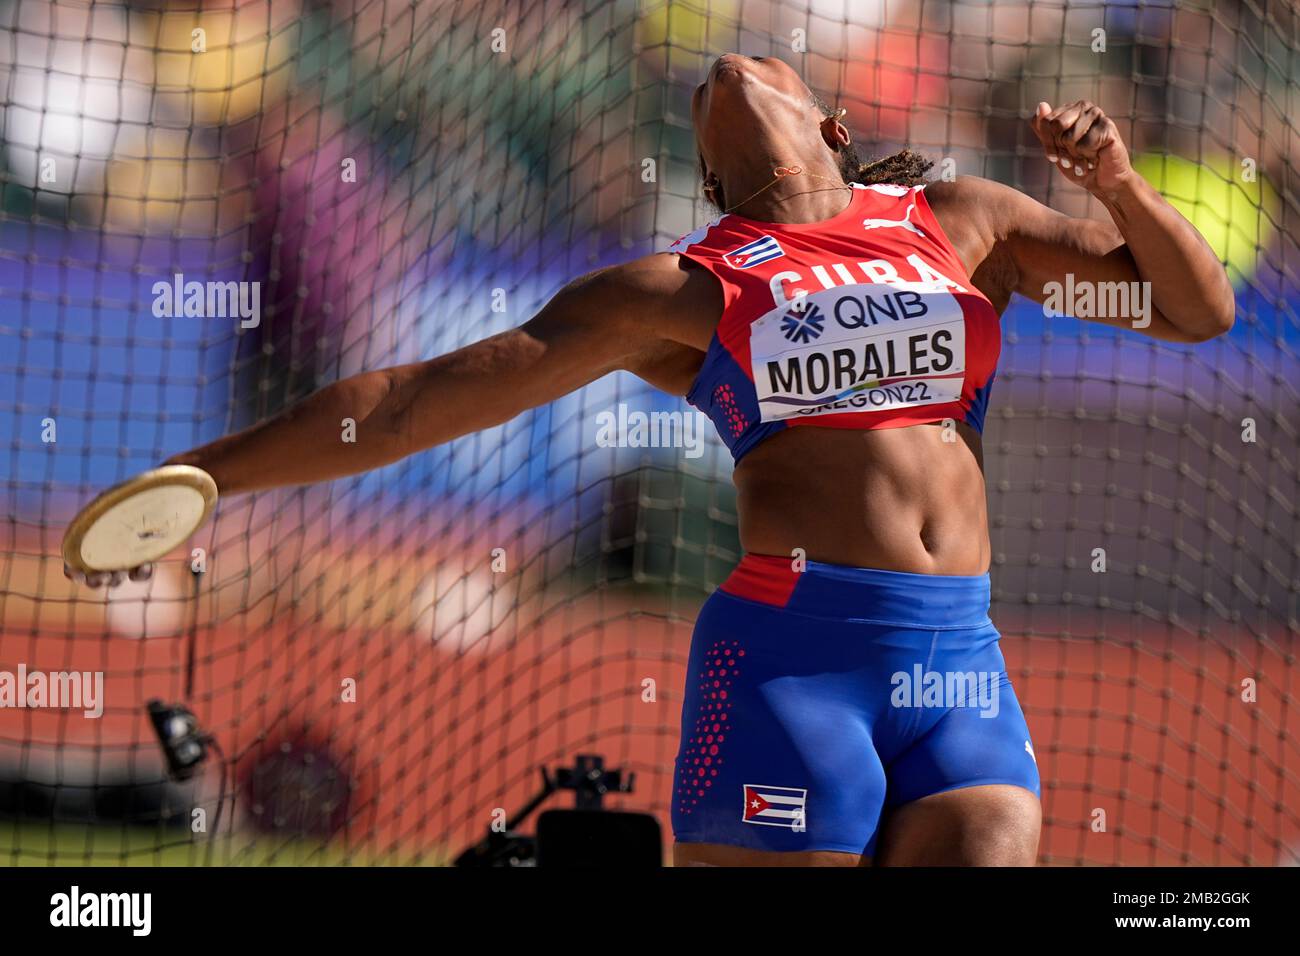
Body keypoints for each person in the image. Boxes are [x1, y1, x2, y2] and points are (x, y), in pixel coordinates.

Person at [67, 54, 1234, 866]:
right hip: (794, 662)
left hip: (959, 664)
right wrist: (210, 474)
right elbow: (416, 400)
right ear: (711, 179)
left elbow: (1194, 313)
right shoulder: (681, 289)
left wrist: (1119, 188)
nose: (726, 72)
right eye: (695, 100)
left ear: (835, 127)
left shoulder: (961, 221)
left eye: (769, 70)